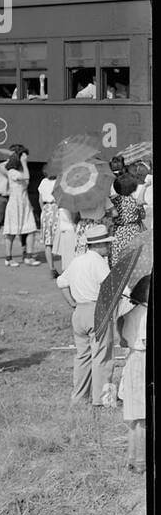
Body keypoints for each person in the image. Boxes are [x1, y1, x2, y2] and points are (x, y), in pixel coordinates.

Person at [55, 224, 114, 408]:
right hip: (98, 310)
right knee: (102, 357)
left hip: (79, 311)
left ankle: (79, 397)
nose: (109, 247)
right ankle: (102, 400)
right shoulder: (99, 263)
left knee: (83, 356)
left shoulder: (77, 261)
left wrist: (72, 303)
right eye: (107, 244)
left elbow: (61, 283)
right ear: (100, 245)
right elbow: (110, 287)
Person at [114, 275, 149, 472]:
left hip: (133, 363)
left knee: (134, 419)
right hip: (142, 364)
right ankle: (141, 462)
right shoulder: (145, 316)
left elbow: (124, 341)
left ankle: (133, 459)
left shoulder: (128, 315)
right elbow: (145, 342)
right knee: (143, 418)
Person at [0, 146, 38, 265]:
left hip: (24, 203)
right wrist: (24, 163)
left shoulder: (20, 171)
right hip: (15, 204)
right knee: (11, 232)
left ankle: (28, 257)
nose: (26, 158)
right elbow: (26, 177)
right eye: (24, 155)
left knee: (31, 229)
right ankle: (8, 258)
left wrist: (24, 164)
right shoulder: (12, 172)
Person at [109, 174, 145, 267]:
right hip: (132, 231)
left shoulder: (112, 200)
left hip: (118, 231)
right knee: (132, 259)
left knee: (117, 257)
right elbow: (143, 215)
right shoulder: (134, 201)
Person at [38, 163, 60, 273]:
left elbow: (40, 200)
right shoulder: (58, 182)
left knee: (48, 242)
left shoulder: (43, 182)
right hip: (56, 209)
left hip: (46, 210)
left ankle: (51, 268)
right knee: (59, 238)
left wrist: (43, 211)